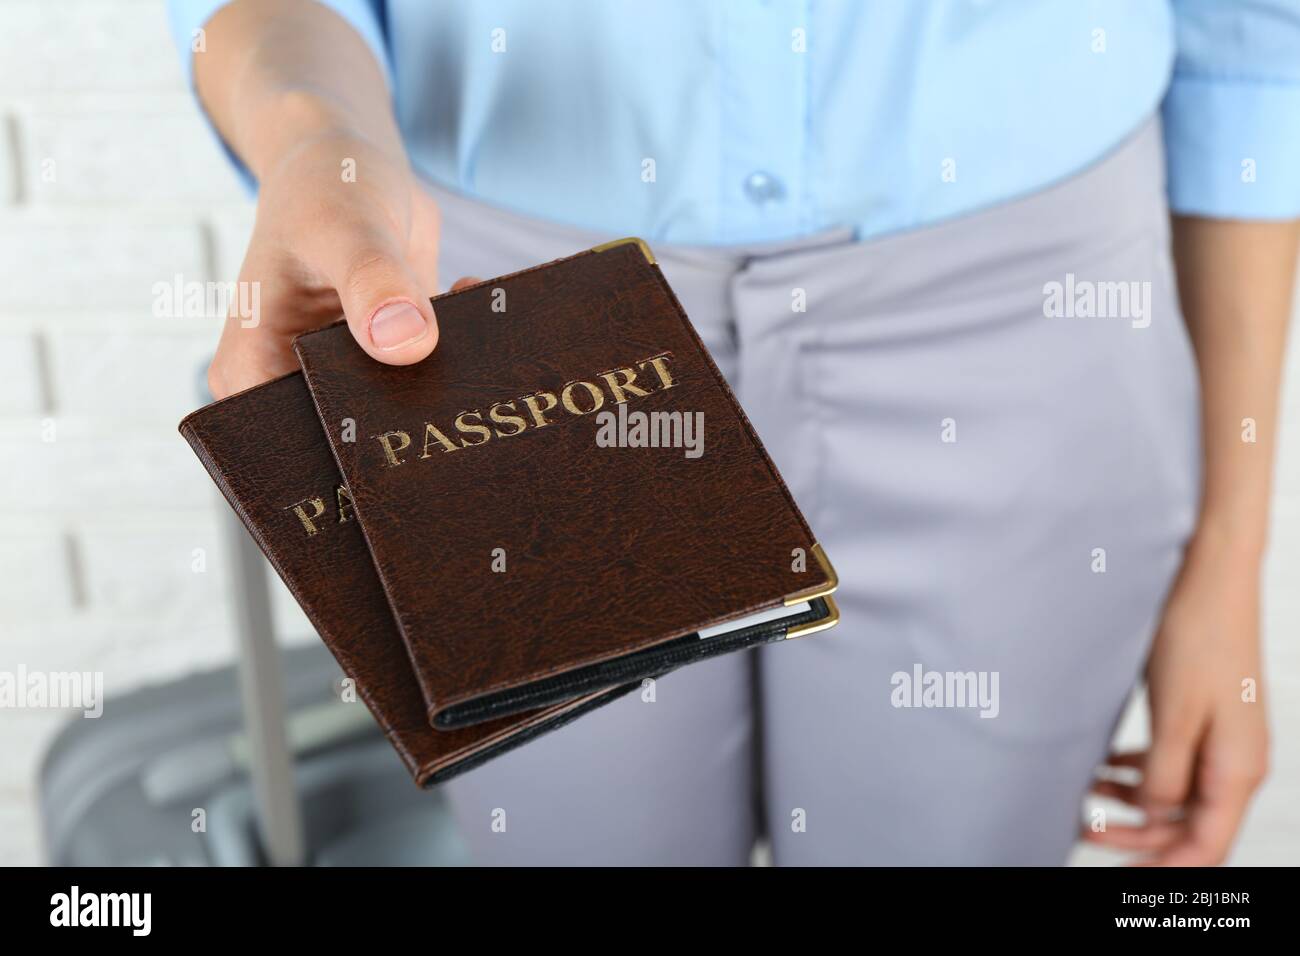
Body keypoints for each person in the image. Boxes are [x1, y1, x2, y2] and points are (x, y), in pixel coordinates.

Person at [169, 0, 1300, 865]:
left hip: (1024, 309)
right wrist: (315, 141)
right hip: (488, 317)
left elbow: (1253, 39)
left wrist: (1226, 563)